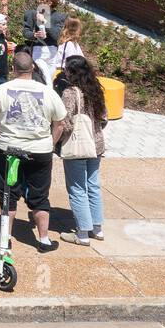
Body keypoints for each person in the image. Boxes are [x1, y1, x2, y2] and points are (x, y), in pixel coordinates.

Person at [0, 48, 69, 252]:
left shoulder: (1, 90)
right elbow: (60, 123)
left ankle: (6, 239)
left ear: (13, 68)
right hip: (40, 150)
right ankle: (44, 239)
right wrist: (51, 143)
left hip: (8, 150)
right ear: (33, 68)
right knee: (39, 196)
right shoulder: (48, 92)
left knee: (8, 195)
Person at [55, 55, 109, 246]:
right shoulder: (96, 90)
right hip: (97, 144)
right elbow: (104, 118)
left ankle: (82, 233)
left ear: (72, 72)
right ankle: (97, 228)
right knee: (93, 185)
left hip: (77, 146)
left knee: (77, 189)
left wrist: (56, 141)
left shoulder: (70, 93)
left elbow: (65, 123)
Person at [23, 0, 67, 68]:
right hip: (38, 49)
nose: (38, 2)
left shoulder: (58, 17)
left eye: (41, 0)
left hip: (52, 51)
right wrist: (34, 35)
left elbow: (57, 36)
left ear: (50, 3)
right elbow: (26, 32)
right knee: (39, 76)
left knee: (49, 78)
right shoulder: (33, 14)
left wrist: (44, 21)